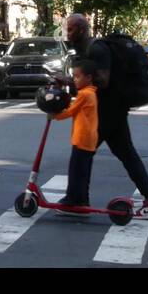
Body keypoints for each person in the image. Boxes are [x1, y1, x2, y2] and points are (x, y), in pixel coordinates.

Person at [64, 14, 148, 220]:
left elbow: (103, 80)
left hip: (107, 110)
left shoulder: (97, 49)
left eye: (71, 29)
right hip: (112, 110)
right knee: (127, 154)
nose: (67, 33)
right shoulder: (88, 50)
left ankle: (77, 201)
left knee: (82, 151)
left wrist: (73, 83)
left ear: (82, 30)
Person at [51, 59, 99, 210]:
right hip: (89, 139)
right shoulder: (91, 93)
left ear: (89, 78)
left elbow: (71, 111)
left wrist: (55, 115)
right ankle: (82, 200)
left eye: (78, 76)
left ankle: (72, 199)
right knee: (83, 172)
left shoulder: (84, 94)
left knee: (75, 171)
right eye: (74, 76)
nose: (75, 80)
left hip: (82, 139)